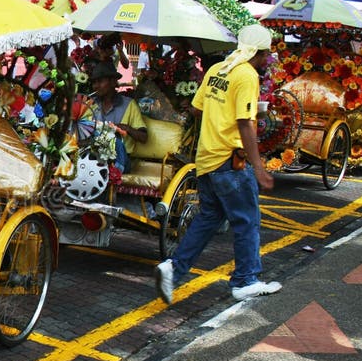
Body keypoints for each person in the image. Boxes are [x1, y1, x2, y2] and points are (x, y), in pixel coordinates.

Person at [155, 24, 281, 304]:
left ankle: (173, 269)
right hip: (229, 160)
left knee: (209, 217)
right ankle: (246, 280)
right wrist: (259, 167)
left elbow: (197, 108)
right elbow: (245, 124)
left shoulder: (218, 69)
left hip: (207, 158)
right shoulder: (246, 75)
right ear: (259, 53)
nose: (265, 60)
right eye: (265, 55)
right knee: (247, 221)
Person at [88, 61, 147, 173]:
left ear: (113, 81)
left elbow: (144, 137)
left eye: (100, 81)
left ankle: (114, 172)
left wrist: (126, 128)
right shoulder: (90, 104)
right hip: (95, 158)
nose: (96, 86)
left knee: (113, 139)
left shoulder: (129, 105)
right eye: (94, 82)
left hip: (123, 160)